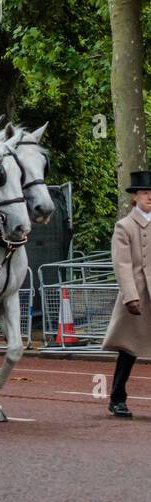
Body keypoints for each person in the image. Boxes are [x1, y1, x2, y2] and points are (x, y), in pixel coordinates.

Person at [102, 170, 151, 417]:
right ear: (135, 197)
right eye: (145, 192)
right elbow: (122, 264)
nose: (149, 197)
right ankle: (117, 398)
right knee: (128, 349)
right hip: (138, 294)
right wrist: (131, 296)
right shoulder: (124, 226)